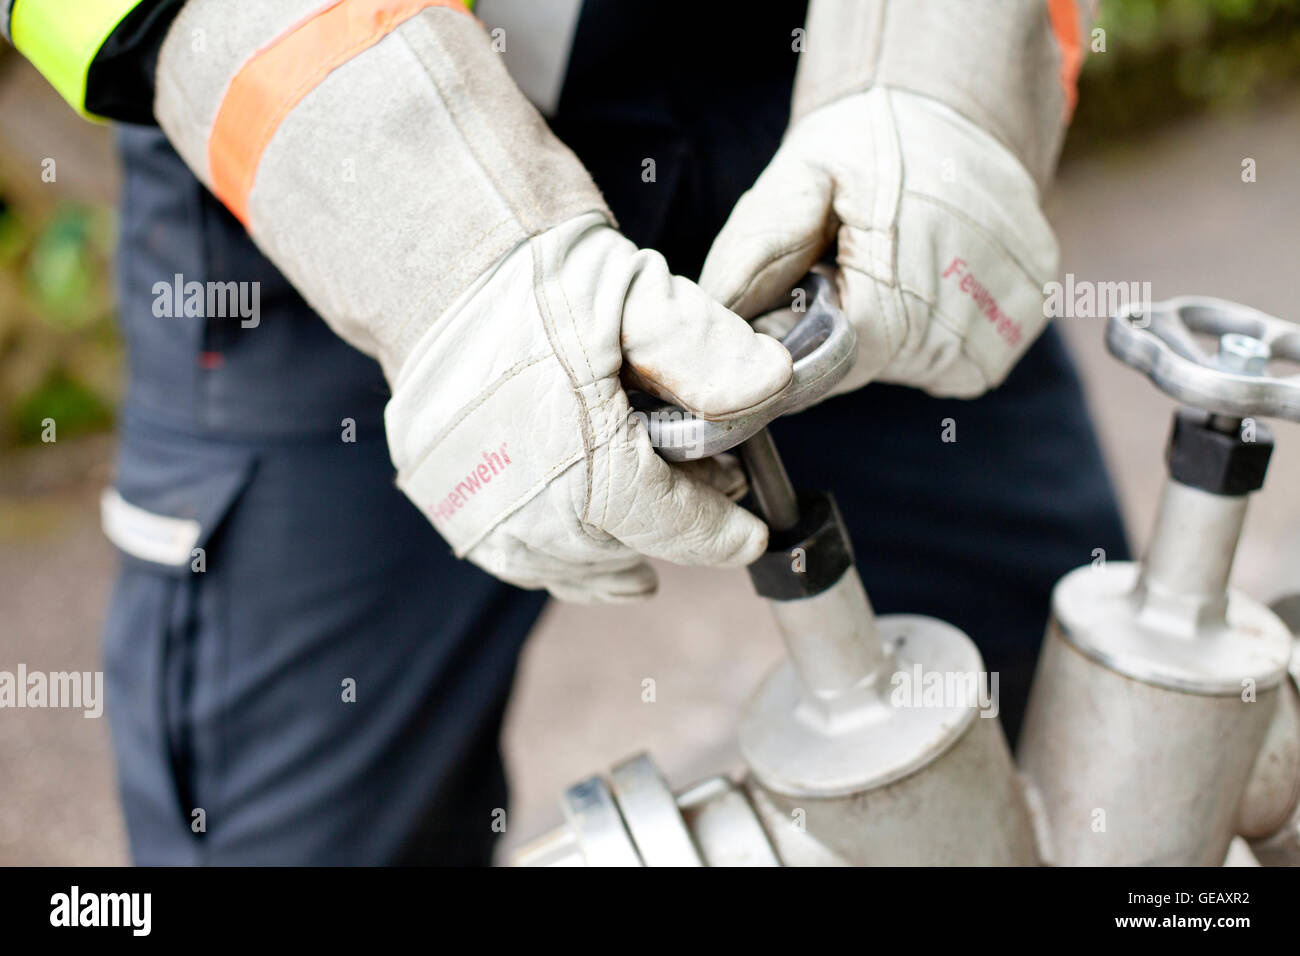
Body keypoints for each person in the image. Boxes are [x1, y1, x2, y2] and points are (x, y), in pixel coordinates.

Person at [4, 0, 1126, 865]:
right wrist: (440, 246)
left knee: (1087, 752)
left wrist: (940, 77)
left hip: (825, 144)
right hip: (310, 144)